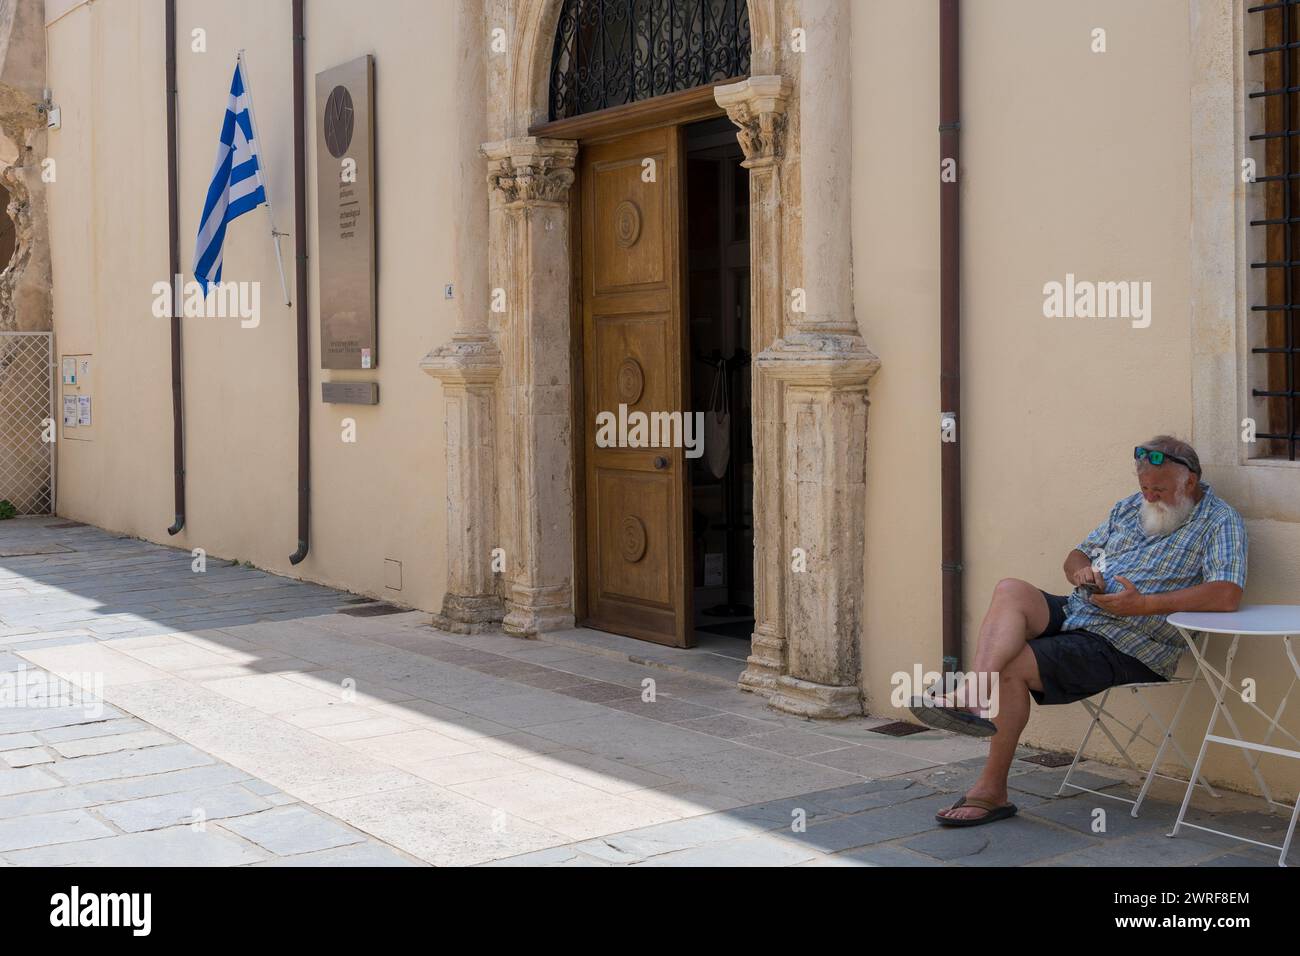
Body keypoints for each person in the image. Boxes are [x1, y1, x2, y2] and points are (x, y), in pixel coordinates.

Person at [910, 436, 1247, 826]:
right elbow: (1076, 555)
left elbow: (1226, 594)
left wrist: (1144, 605)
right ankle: (972, 692)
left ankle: (990, 790)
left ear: (1189, 482)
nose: (1150, 496)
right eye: (1145, 488)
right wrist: (1082, 573)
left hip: (1130, 642)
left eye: (1159, 489)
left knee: (1013, 664)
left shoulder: (1220, 521)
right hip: (1084, 608)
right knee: (1010, 589)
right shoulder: (1129, 507)